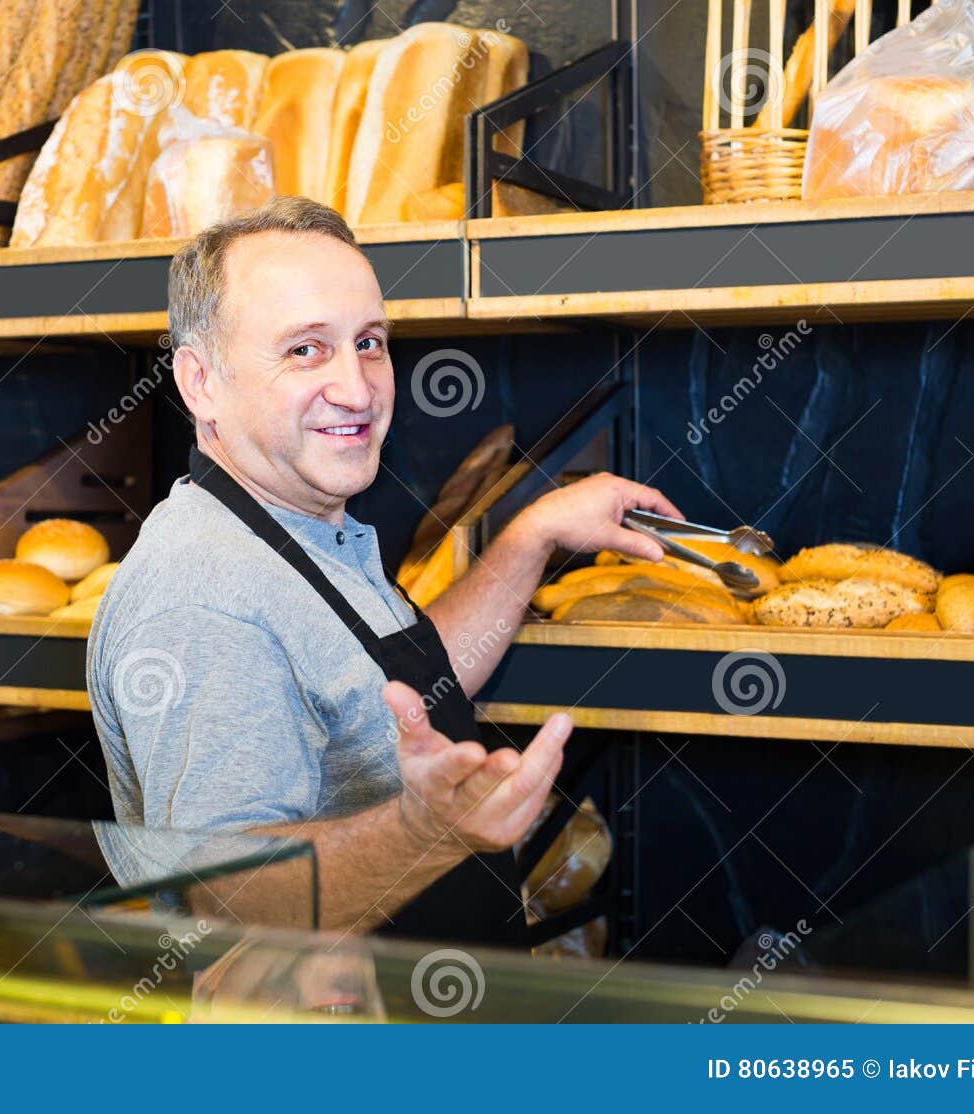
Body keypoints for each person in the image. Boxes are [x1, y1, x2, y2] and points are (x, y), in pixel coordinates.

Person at [88, 197, 682, 944]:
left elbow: (388, 692)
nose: (359, 389)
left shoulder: (296, 527)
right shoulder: (203, 598)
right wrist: (427, 831)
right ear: (200, 382)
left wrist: (531, 537)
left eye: (369, 342)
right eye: (305, 349)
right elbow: (228, 896)